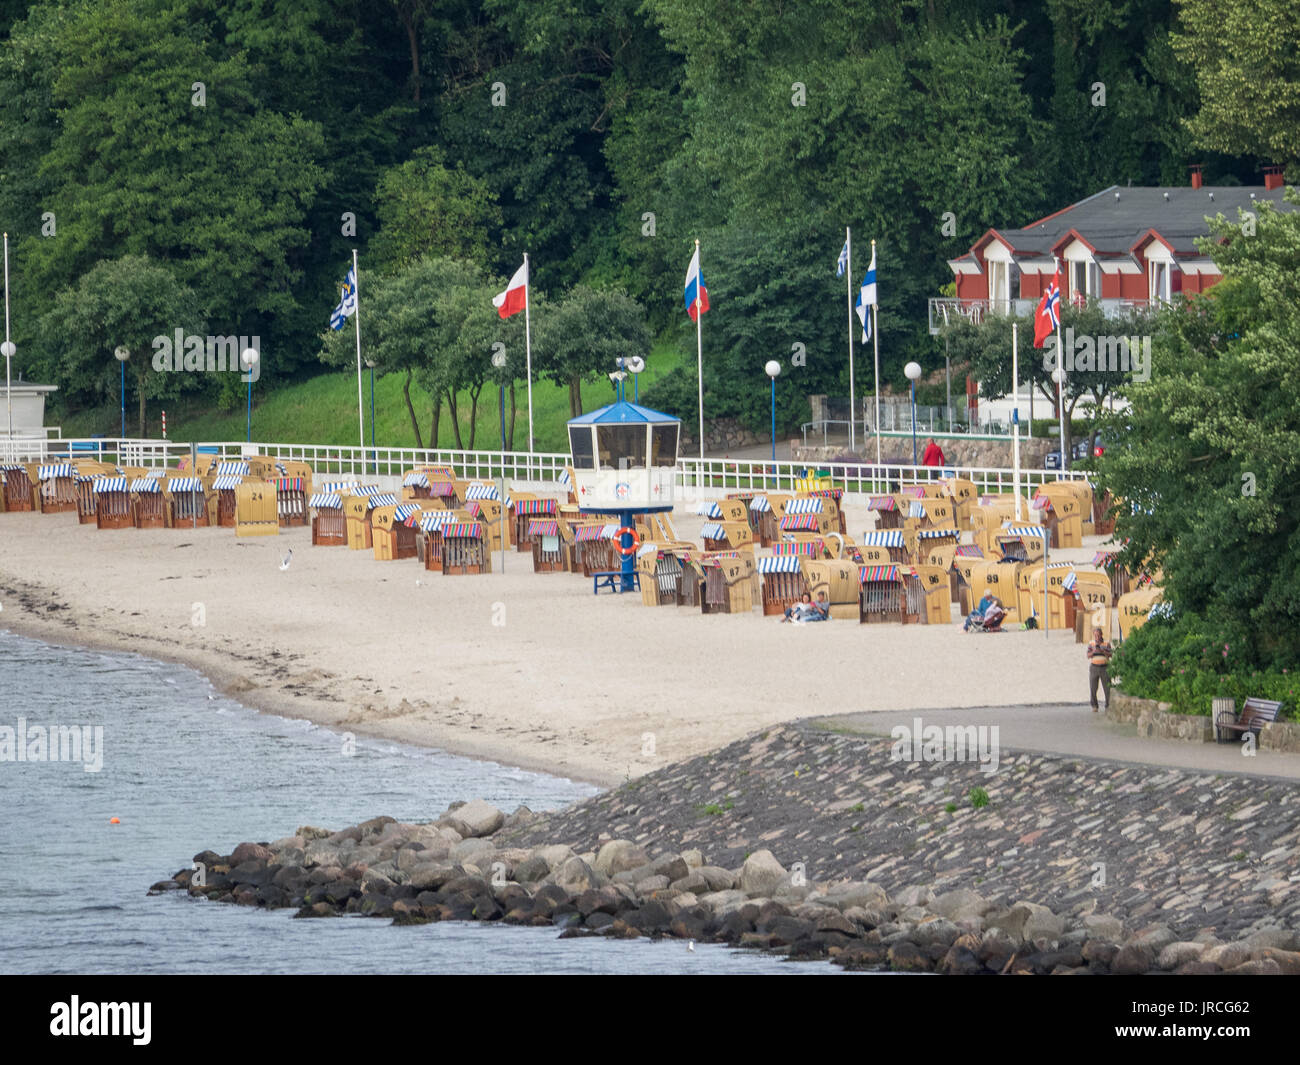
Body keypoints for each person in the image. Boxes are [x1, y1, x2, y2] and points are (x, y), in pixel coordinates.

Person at [1087, 627, 1113, 711]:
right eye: (1095, 635)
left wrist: (1103, 651)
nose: (1097, 637)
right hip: (1094, 667)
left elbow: (1111, 654)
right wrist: (1094, 651)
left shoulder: (1106, 643)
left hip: (1104, 667)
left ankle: (1108, 705)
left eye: (1098, 635)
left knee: (1107, 688)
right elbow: (1088, 655)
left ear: (1101, 635)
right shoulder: (1091, 643)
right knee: (1093, 687)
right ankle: (1094, 705)